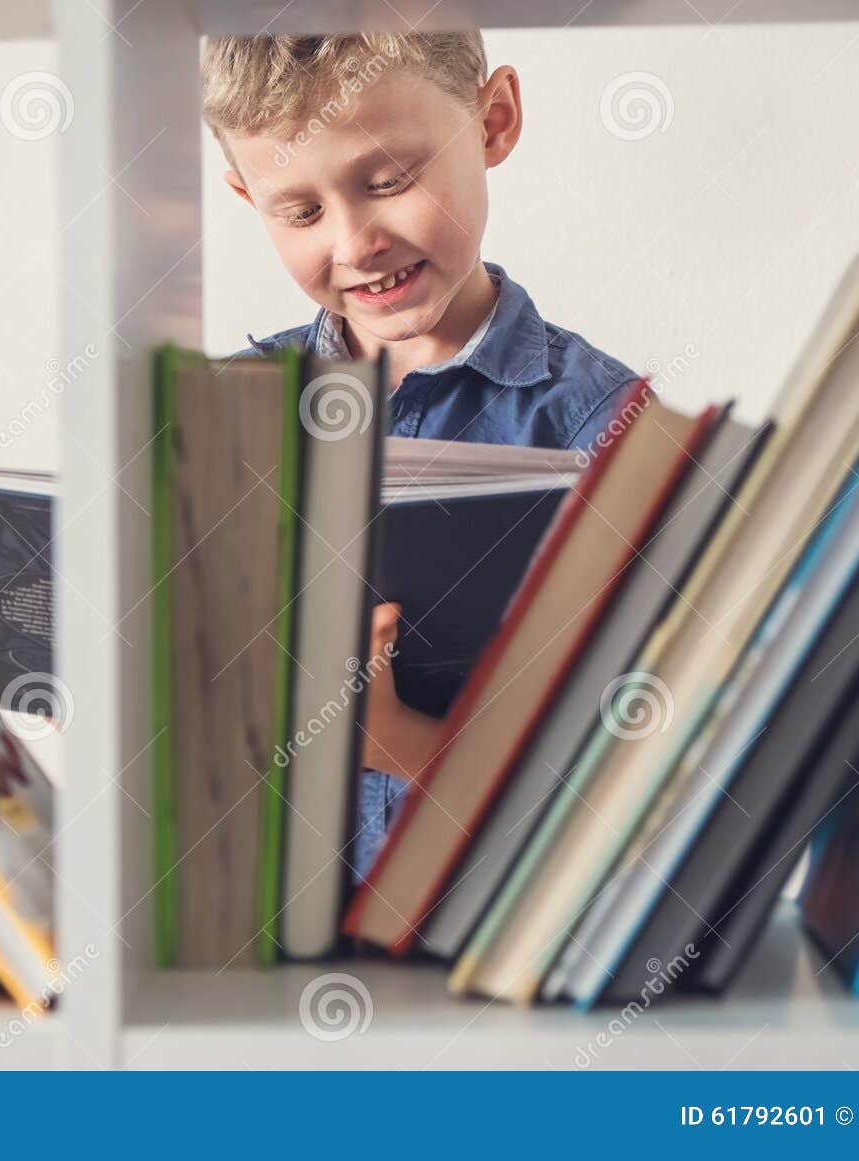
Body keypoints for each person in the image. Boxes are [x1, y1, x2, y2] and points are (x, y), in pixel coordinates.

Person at [202, 31, 640, 875]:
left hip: (481, 947)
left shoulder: (604, 427)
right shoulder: (222, 415)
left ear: (494, 121)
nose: (355, 241)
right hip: (252, 949)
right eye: (300, 211)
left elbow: (635, 778)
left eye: (390, 181)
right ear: (246, 197)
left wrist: (398, 741)